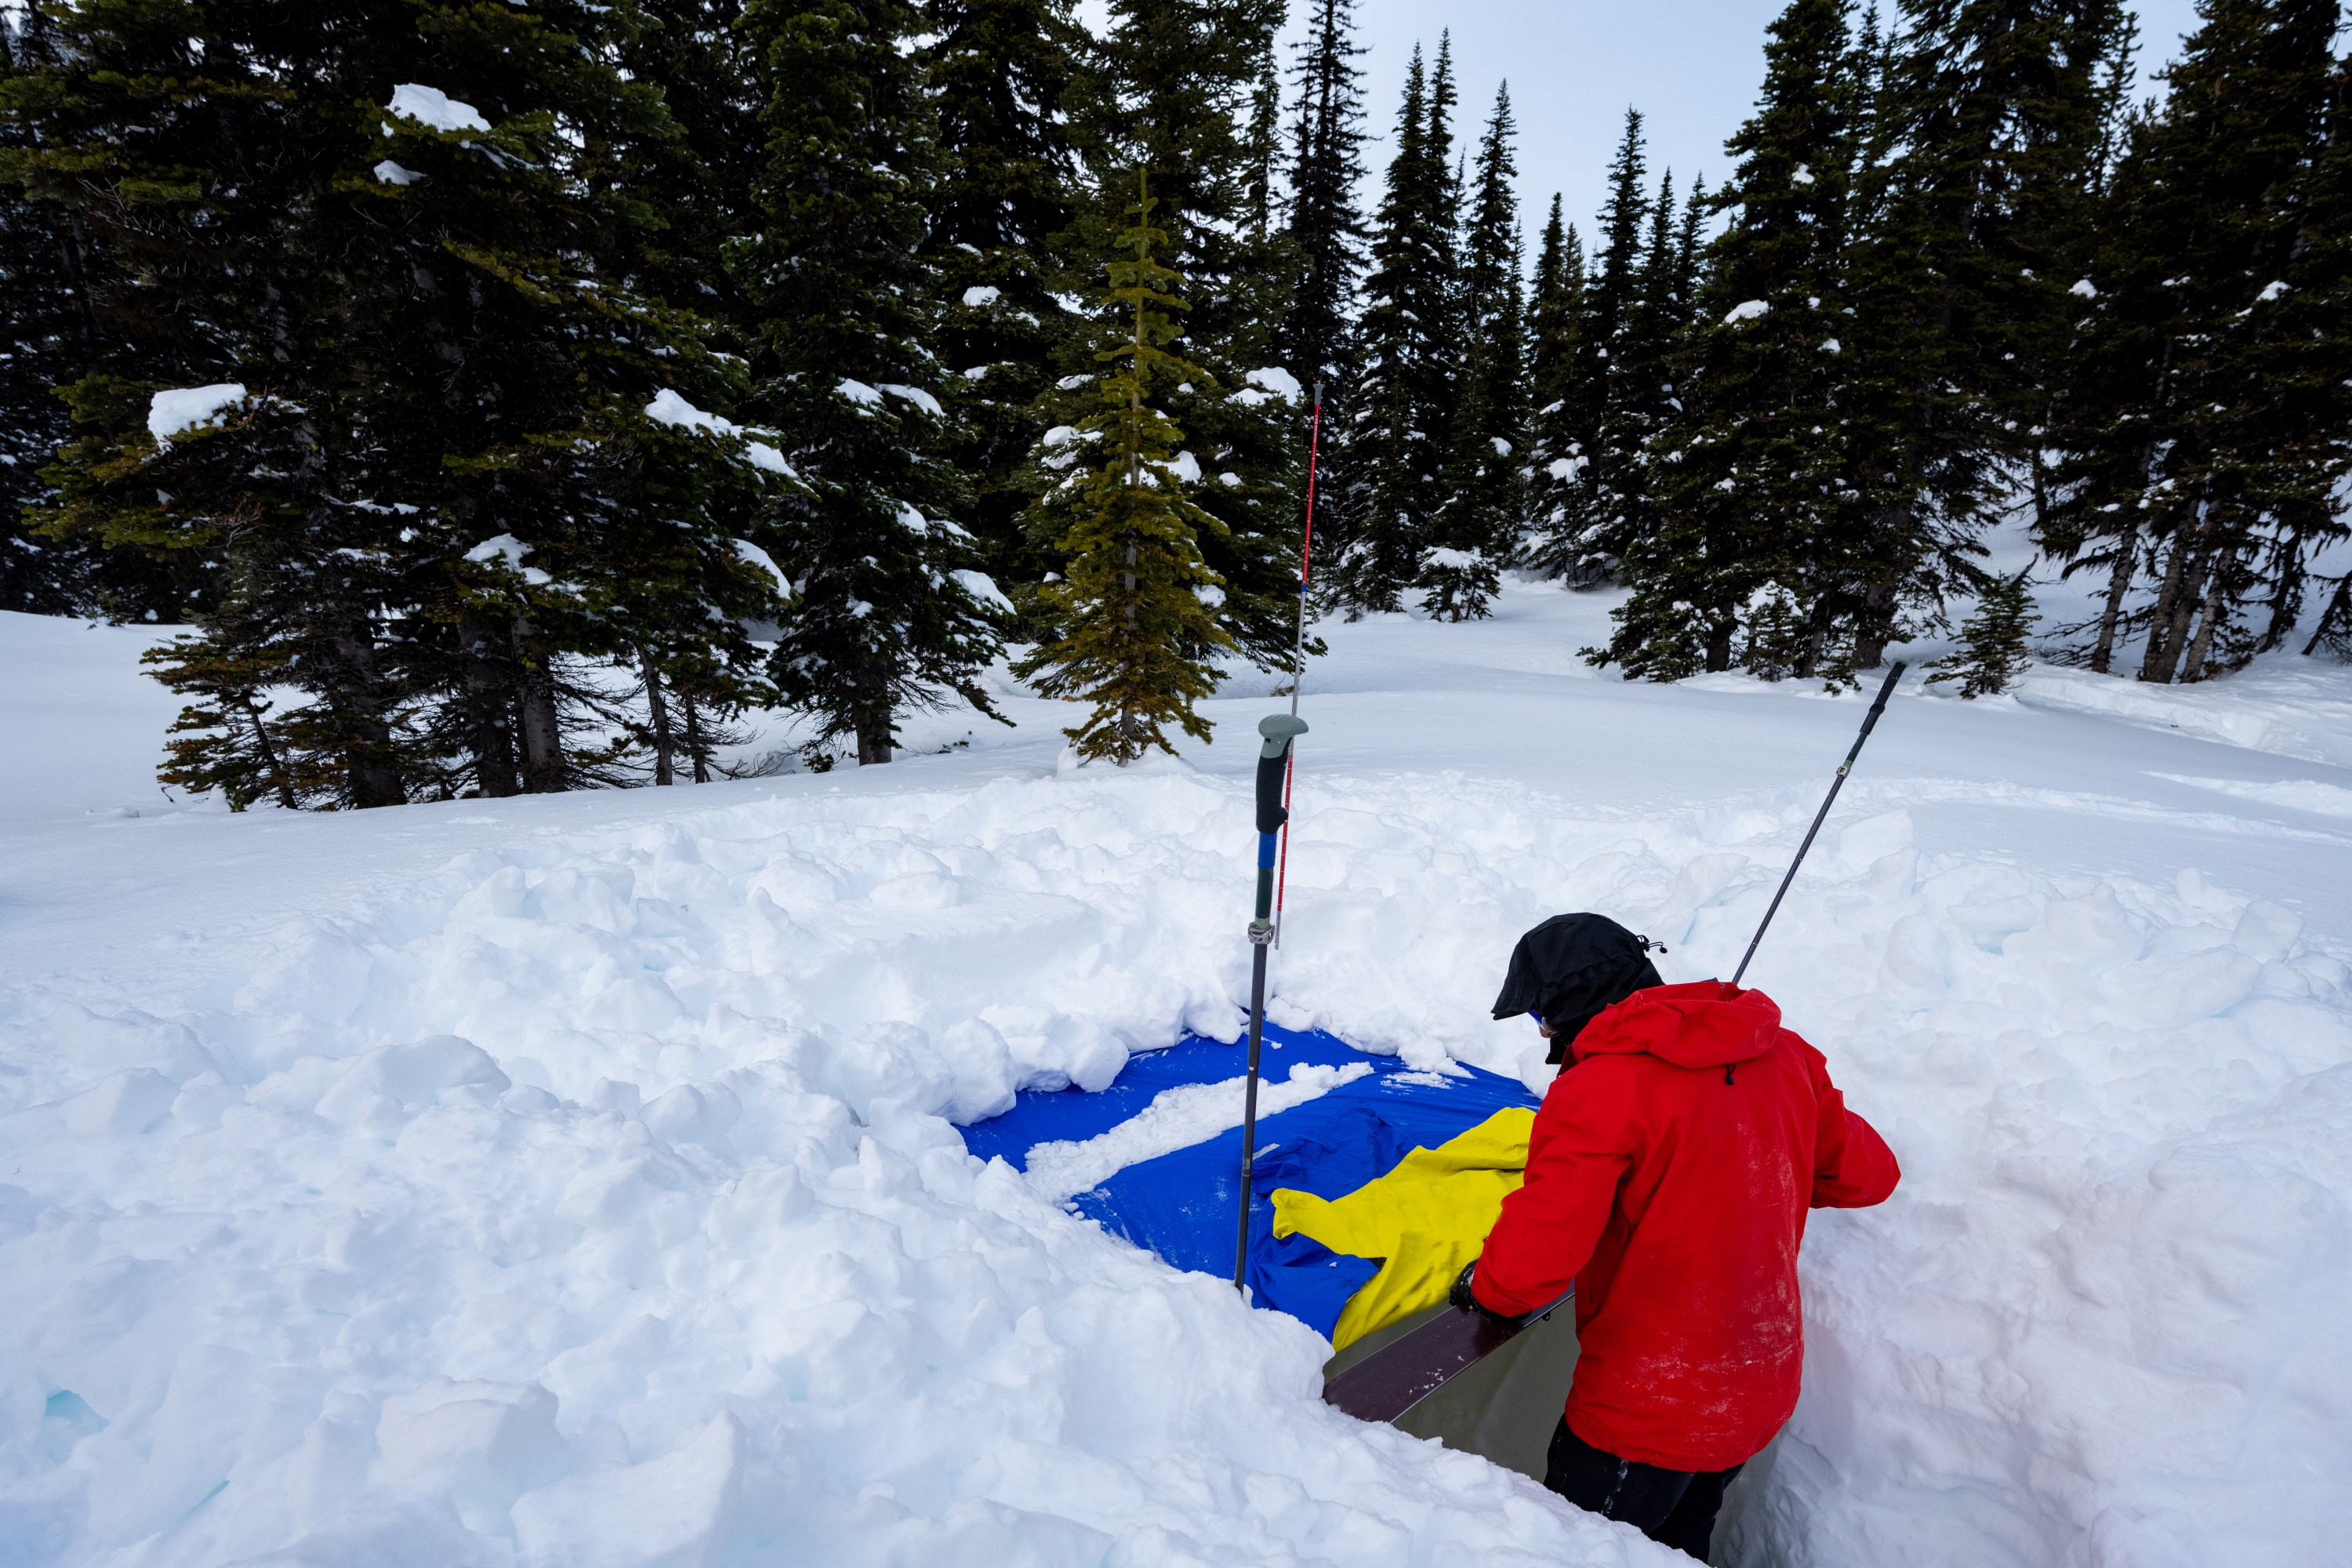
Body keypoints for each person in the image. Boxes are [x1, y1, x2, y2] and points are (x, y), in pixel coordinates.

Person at [1453, 913, 1900, 1561]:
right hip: (1757, 1391)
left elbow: (1534, 1262)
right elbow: (1869, 1174)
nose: (1543, 1031)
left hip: (1646, 1412)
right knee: (1682, 1545)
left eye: (1540, 1015)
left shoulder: (1599, 1089)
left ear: (1570, 1007)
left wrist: (1484, 1288)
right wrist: (1758, 1168)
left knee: (1584, 1552)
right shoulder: (1784, 1053)